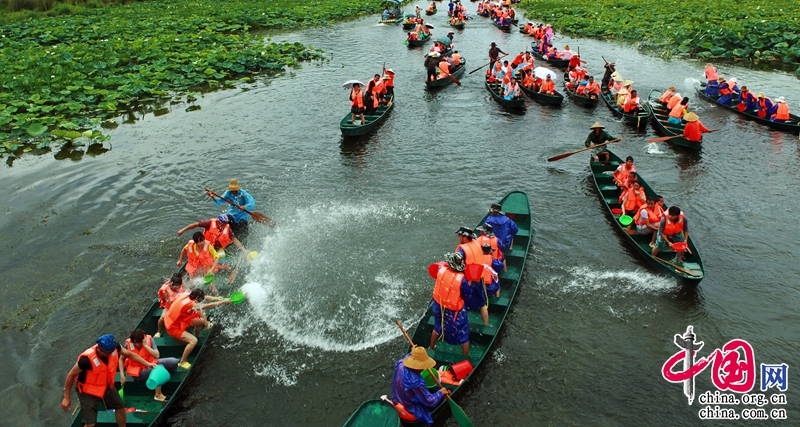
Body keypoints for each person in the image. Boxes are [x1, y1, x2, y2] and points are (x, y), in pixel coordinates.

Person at [61, 334, 157, 427]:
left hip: (106, 386)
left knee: (120, 407)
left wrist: (147, 363)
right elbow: (71, 375)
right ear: (99, 348)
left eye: (111, 352)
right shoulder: (86, 360)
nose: (109, 355)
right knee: (90, 423)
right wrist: (66, 397)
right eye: (106, 353)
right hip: (88, 392)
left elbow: (130, 354)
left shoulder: (115, 348)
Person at [165, 289, 231, 369]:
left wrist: (217, 298)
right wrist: (223, 302)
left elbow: (205, 297)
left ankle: (195, 336)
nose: (201, 301)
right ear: (196, 299)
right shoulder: (191, 304)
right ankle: (182, 361)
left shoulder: (188, 294)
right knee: (193, 341)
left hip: (177, 319)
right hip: (172, 327)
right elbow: (208, 306)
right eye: (200, 300)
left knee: (200, 322)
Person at [390, 346, 449, 424]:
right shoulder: (417, 382)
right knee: (438, 399)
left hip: (397, 398)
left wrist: (412, 353)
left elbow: (405, 358)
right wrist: (441, 393)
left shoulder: (401, 363)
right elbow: (429, 401)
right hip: (410, 407)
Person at [119, 328, 180, 402]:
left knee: (173, 361)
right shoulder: (128, 344)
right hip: (138, 372)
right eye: (135, 342)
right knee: (160, 367)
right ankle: (158, 395)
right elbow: (121, 359)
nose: (137, 344)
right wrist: (122, 375)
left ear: (143, 339)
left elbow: (157, 355)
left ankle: (163, 376)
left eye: (139, 342)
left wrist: (146, 346)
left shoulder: (150, 340)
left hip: (150, 364)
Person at [429, 253, 471, 356]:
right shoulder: (461, 280)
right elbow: (467, 294)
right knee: (463, 333)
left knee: (437, 327)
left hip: (439, 306)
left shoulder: (441, 271)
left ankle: (431, 346)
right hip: (454, 311)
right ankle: (465, 356)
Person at [177, 214, 248, 268]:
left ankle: (221, 268)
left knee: (223, 264)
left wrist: (243, 249)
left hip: (217, 249)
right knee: (202, 262)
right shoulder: (209, 223)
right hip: (204, 247)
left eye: (225, 224)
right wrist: (183, 230)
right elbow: (196, 224)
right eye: (222, 224)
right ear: (218, 221)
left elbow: (234, 239)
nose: (224, 226)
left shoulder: (227, 228)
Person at [155, 272, 185, 338]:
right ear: (171, 283)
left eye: (178, 286)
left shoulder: (181, 283)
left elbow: (184, 293)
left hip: (180, 304)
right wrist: (174, 310)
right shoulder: (165, 290)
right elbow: (168, 301)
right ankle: (158, 331)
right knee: (162, 318)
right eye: (174, 286)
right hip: (170, 305)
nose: (176, 287)